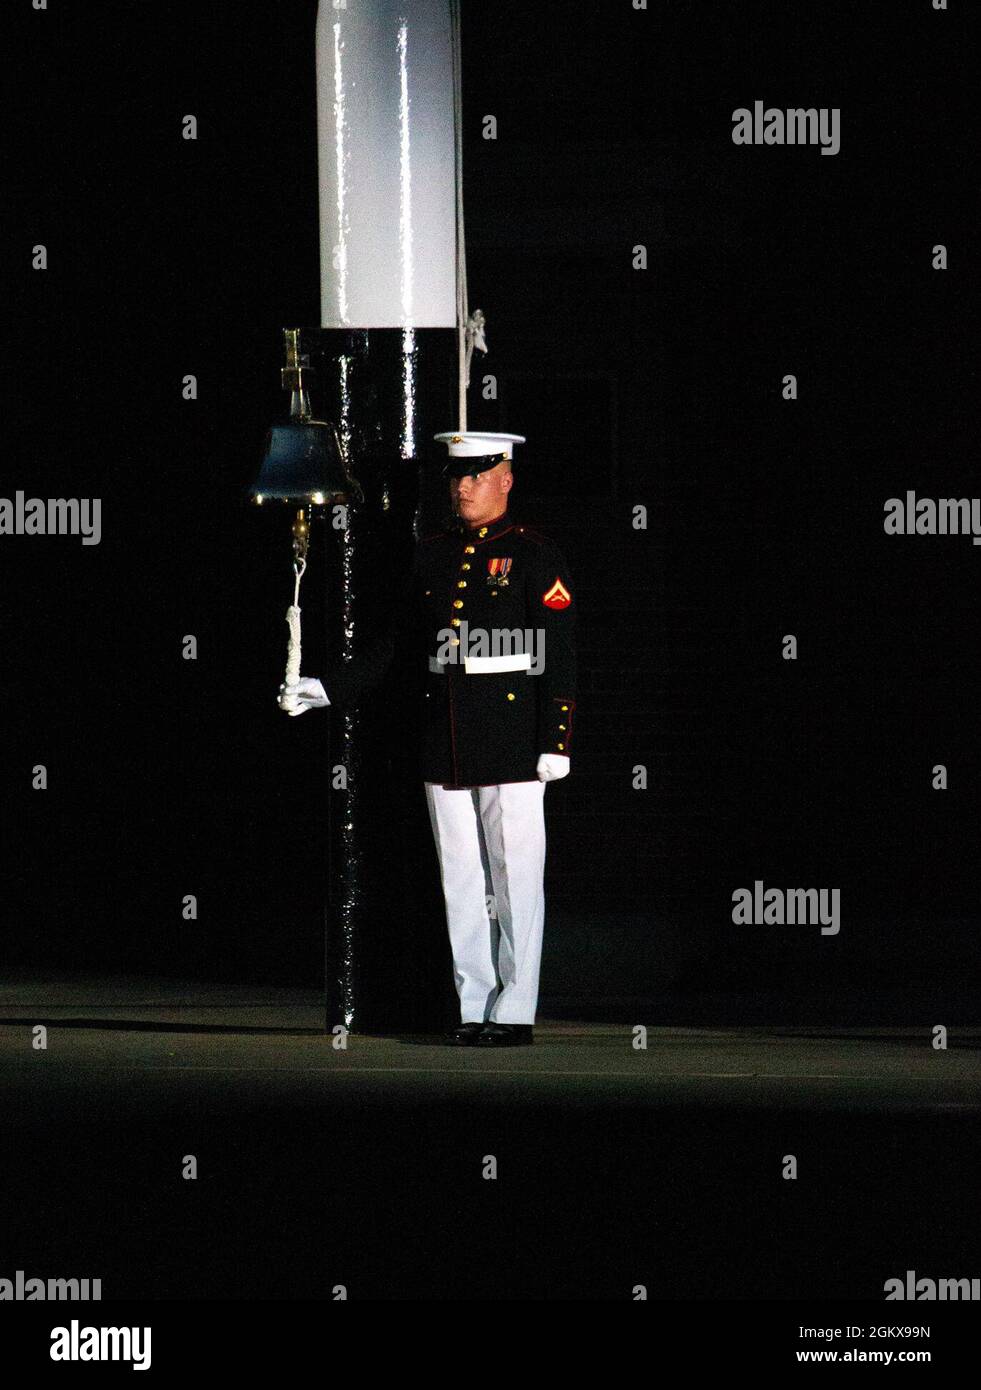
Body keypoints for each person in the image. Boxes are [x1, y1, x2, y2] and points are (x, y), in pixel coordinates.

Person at [279, 431, 576, 1047]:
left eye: (476, 474)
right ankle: (473, 1005)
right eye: (456, 476)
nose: (462, 487)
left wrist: (557, 737)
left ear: (505, 478)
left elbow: (559, 654)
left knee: (514, 877)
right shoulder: (433, 554)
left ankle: (514, 1010)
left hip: (514, 736)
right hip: (447, 732)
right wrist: (331, 687)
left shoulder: (534, 554)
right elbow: (401, 646)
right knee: (461, 879)